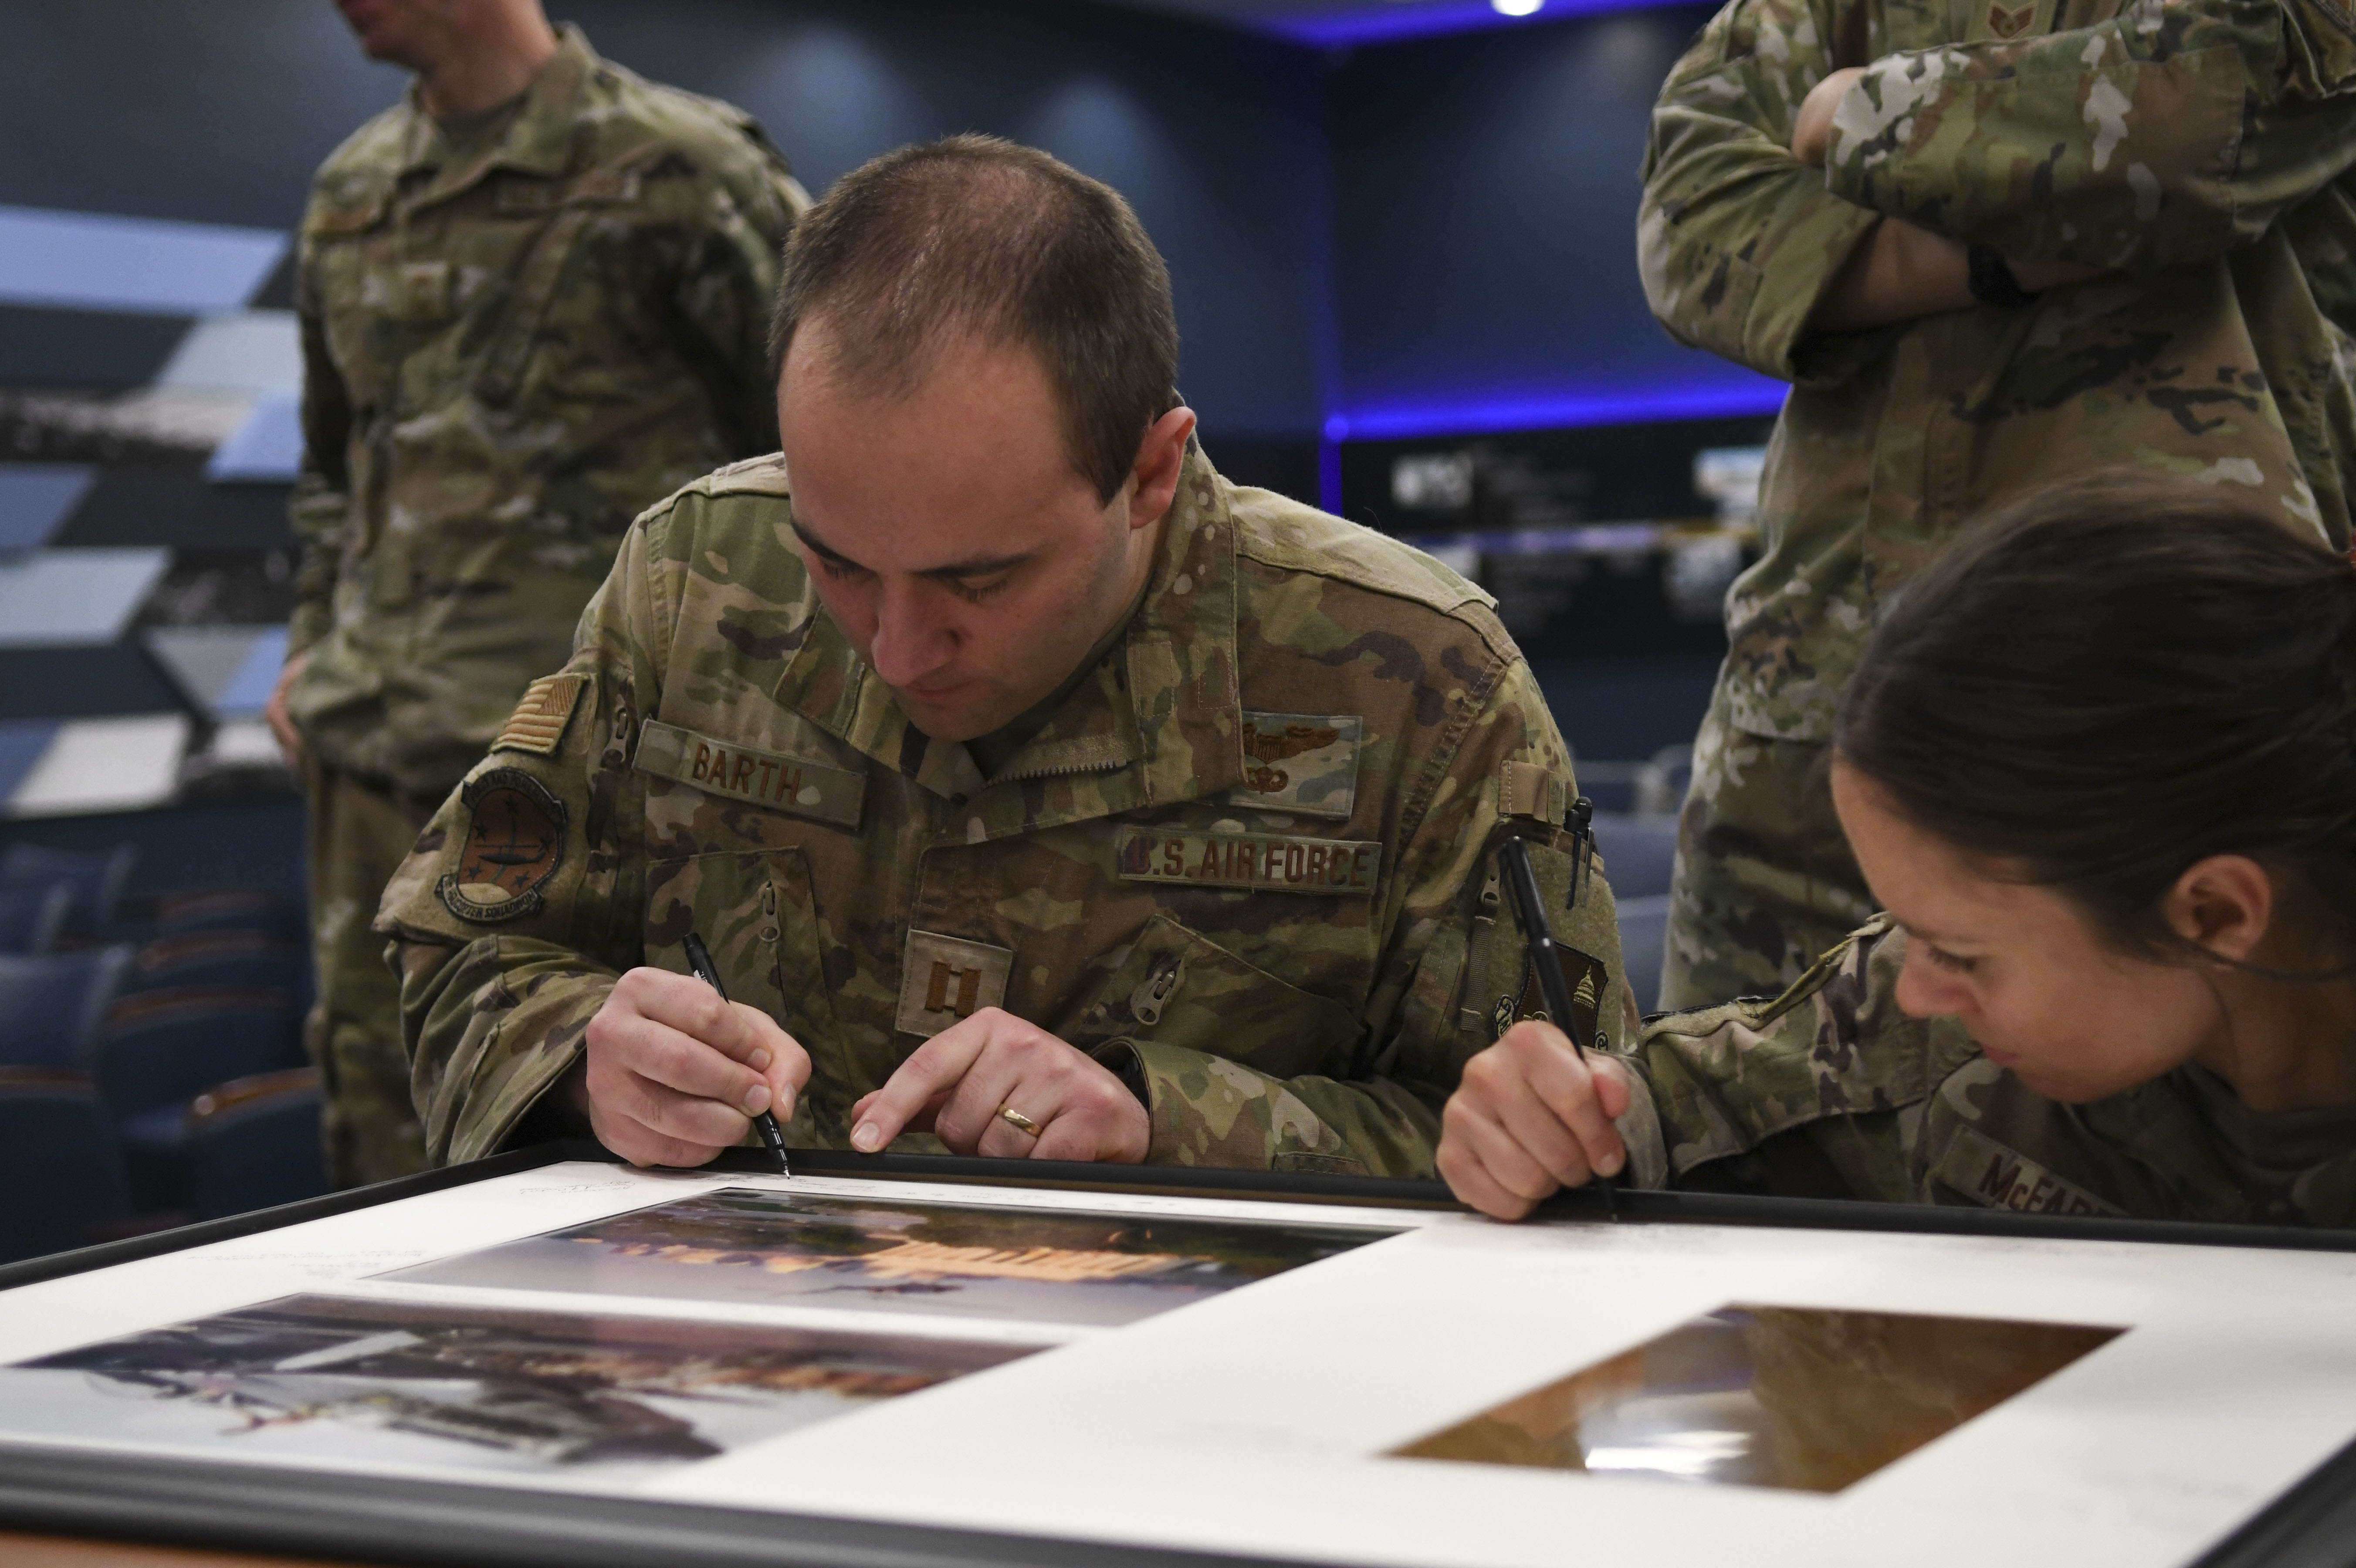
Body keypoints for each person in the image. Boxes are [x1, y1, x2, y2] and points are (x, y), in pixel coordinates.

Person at [376, 136, 1635, 1177]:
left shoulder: (1414, 679)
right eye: (837, 565)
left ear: (1150, 473)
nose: (898, 650)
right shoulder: (693, 579)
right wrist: (584, 1055)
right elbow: (459, 957)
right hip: (757, 1345)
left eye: (977, 582)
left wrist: (1168, 1126)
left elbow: (1573, 1151)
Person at [1640, 0, 2356, 1011]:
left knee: (2166, 1104)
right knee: (1728, 1097)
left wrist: (1855, 111)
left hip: (2173, 716)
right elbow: (1689, 223)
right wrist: (2014, 248)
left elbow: (2197, 121)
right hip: (1807, 717)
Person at [1439, 474, 2356, 1227]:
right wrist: (1549, 1117)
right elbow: (1678, 1109)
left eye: (1962, 953)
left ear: (2214, 915)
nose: (1915, 992)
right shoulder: (1927, 1009)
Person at [262, 0, 808, 1186]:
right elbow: (333, 465)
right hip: (369, 766)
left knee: (615, 1158)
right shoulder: (354, 189)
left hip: (585, 783)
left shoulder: (681, 169)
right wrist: (310, 642)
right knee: (378, 1151)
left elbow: (823, 451)